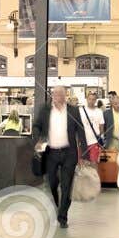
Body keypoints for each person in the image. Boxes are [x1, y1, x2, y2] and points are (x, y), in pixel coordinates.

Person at [32, 84, 87, 227]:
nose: (58, 97)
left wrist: (84, 154)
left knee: (66, 186)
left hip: (69, 153)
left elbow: (80, 130)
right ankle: (57, 206)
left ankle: (63, 217)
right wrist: (38, 139)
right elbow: (36, 126)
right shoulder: (45, 110)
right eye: (56, 94)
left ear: (65, 96)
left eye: (61, 94)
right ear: (52, 95)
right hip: (51, 152)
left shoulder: (73, 111)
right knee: (52, 183)